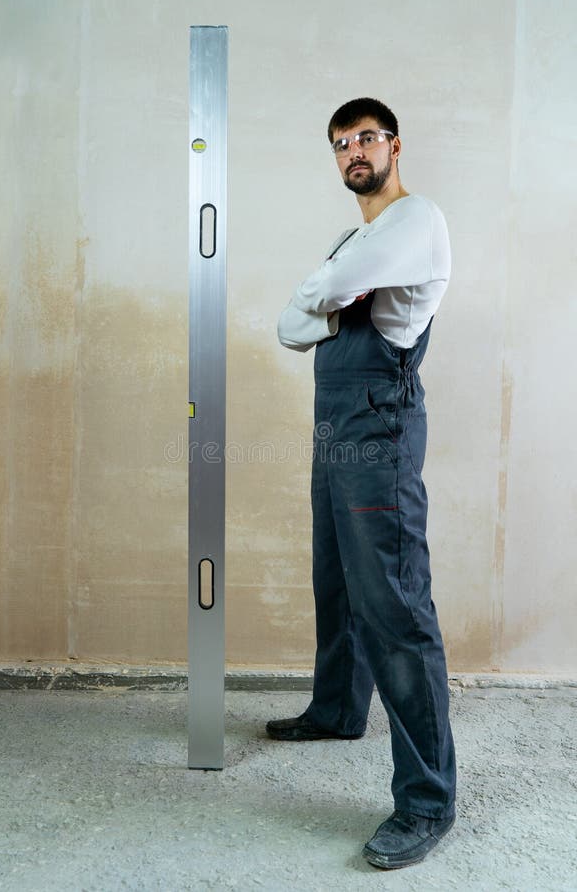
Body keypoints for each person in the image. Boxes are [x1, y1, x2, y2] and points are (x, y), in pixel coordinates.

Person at [271, 98, 457, 870]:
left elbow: (322, 293)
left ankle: (426, 801)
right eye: (342, 142)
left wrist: (327, 288)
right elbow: (290, 322)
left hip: (377, 429)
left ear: (394, 146)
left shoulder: (416, 222)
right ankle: (340, 708)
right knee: (336, 578)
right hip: (333, 430)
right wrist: (327, 289)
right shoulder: (359, 236)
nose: (354, 150)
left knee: (395, 605)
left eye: (366, 138)